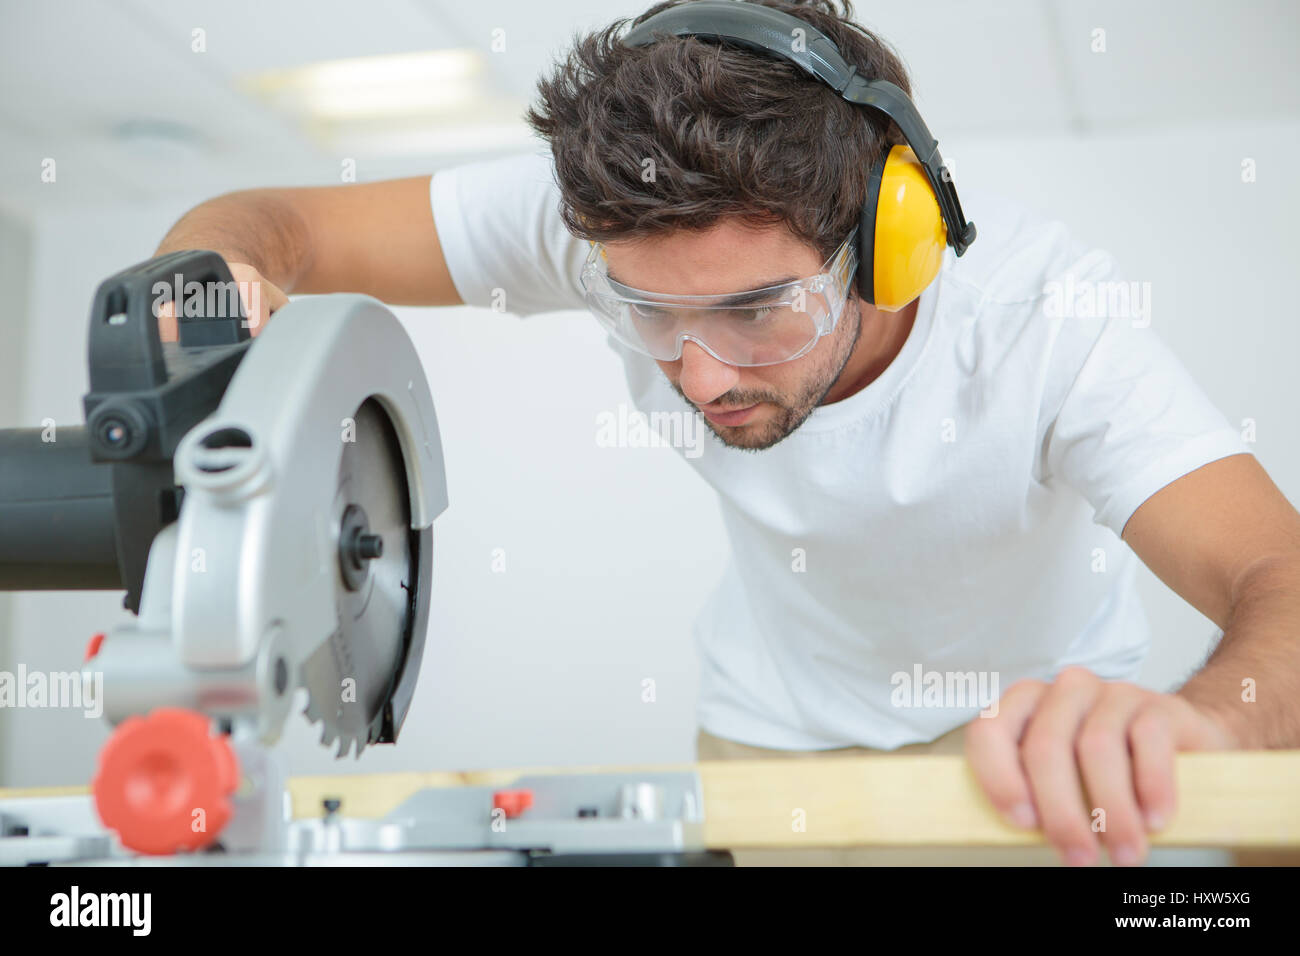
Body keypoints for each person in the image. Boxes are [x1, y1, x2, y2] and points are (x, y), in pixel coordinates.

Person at [154, 0, 1300, 867]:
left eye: (758, 310)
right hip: (767, 736)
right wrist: (210, 278)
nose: (701, 374)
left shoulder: (1048, 321)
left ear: (889, 243)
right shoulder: (603, 226)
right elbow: (279, 222)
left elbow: (1276, 571)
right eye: (649, 309)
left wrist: (1205, 718)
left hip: (1037, 744)